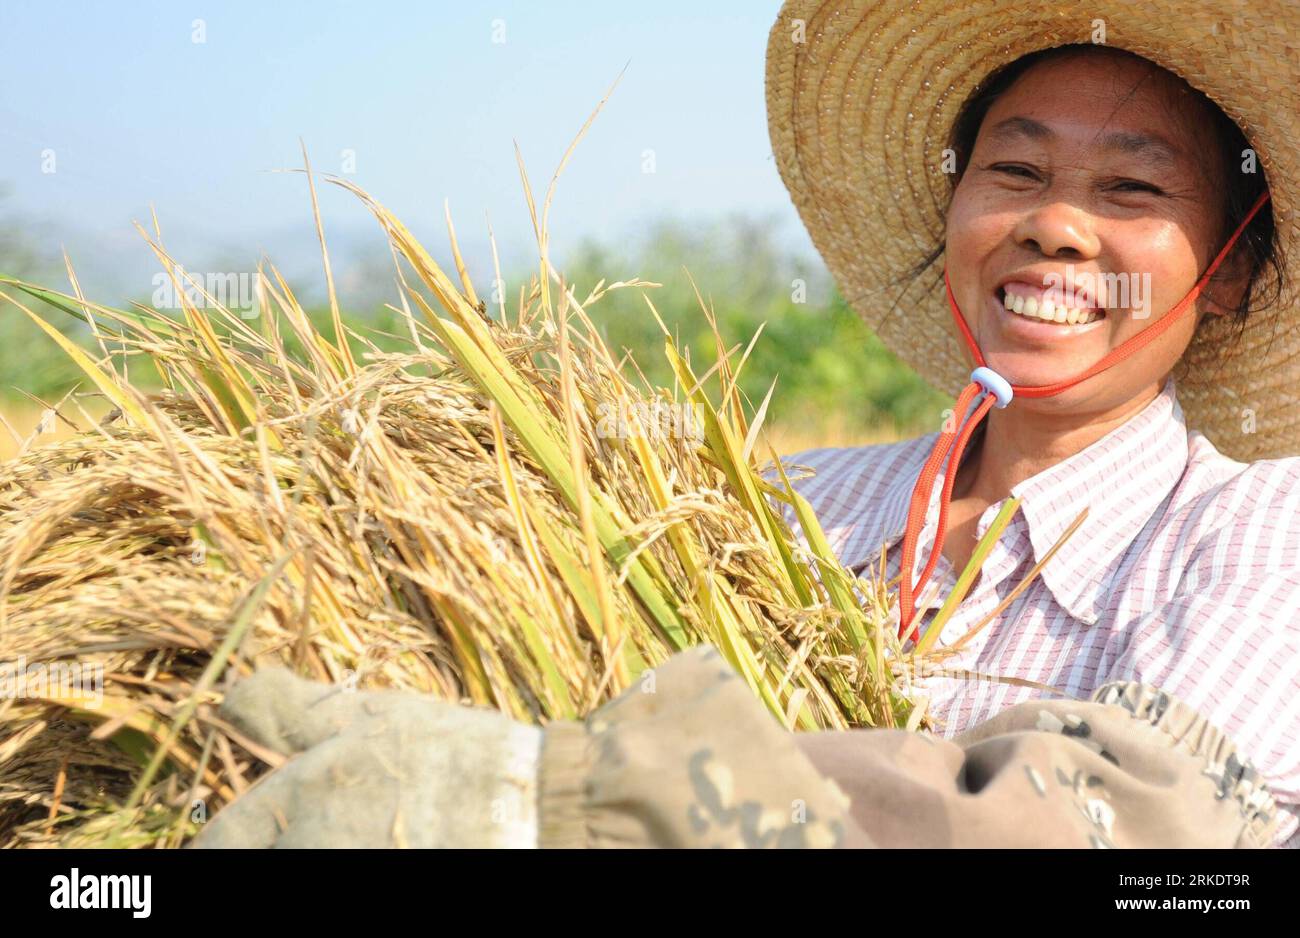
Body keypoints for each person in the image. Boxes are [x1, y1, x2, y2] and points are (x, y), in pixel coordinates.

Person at [193, 0, 1299, 848]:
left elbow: (1137, 832)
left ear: (1232, 269)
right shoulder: (778, 513)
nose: (1055, 225)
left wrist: (553, 793)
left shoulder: (1253, 537)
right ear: (954, 212)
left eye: (1131, 192)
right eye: (1014, 171)